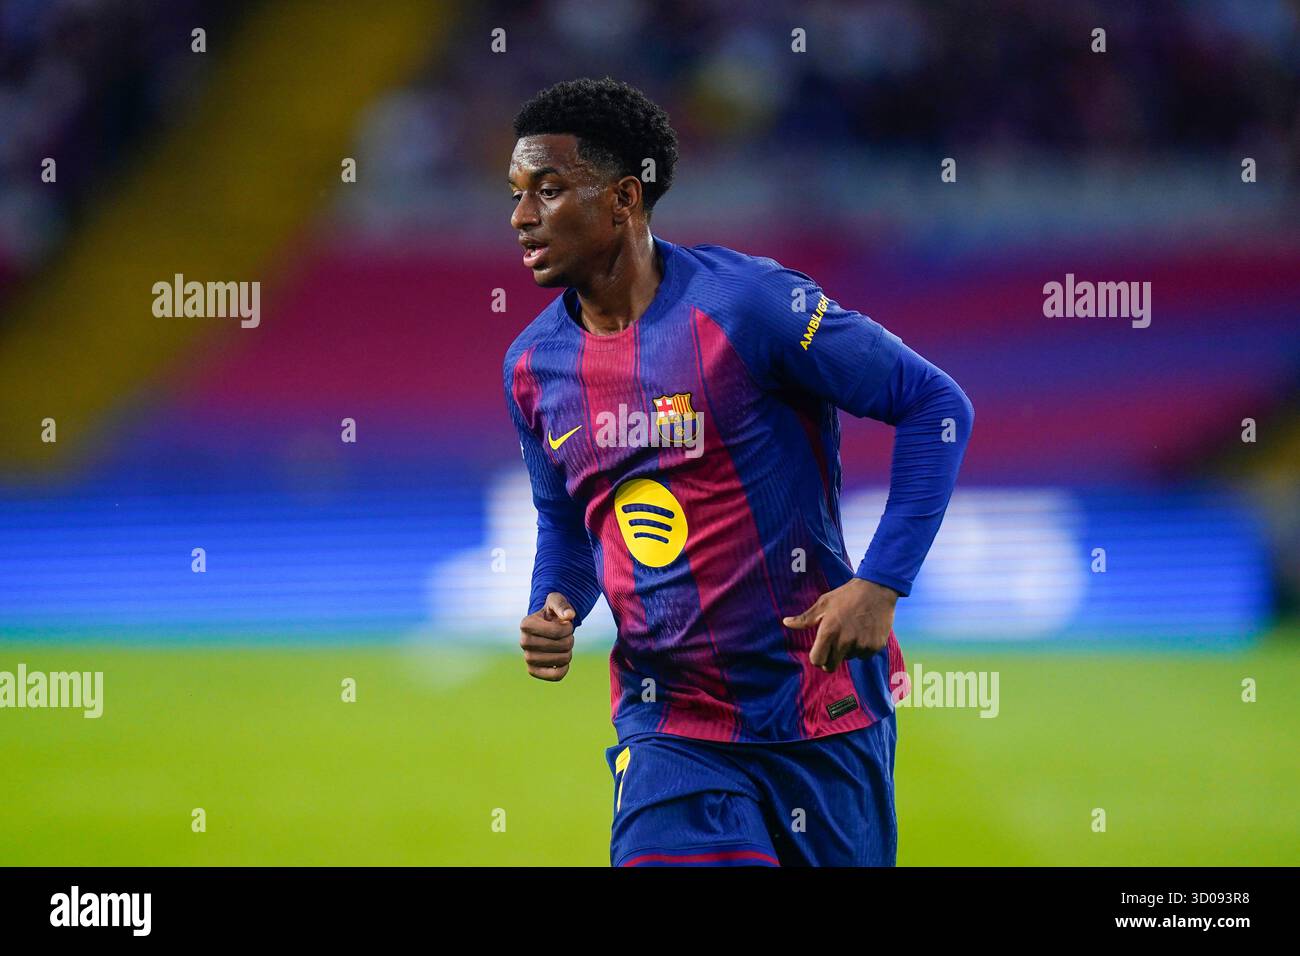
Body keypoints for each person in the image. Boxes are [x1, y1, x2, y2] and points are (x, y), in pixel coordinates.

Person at [503, 77, 973, 866]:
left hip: (817, 708)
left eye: (547, 192)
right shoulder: (531, 366)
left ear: (622, 199)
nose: (520, 219)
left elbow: (933, 403)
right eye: (516, 194)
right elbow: (567, 523)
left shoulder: (748, 307)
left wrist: (882, 582)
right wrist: (554, 602)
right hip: (668, 723)